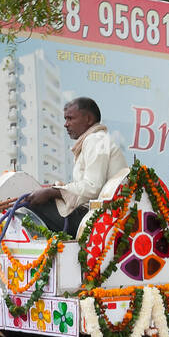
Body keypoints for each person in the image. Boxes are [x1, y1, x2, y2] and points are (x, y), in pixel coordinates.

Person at [26, 97, 129, 235]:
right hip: (99, 216)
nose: (65, 124)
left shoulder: (95, 140)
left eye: (70, 118)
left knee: (33, 205)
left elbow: (92, 187)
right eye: (65, 119)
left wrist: (53, 192)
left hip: (103, 220)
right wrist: (56, 190)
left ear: (88, 119)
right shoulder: (93, 140)